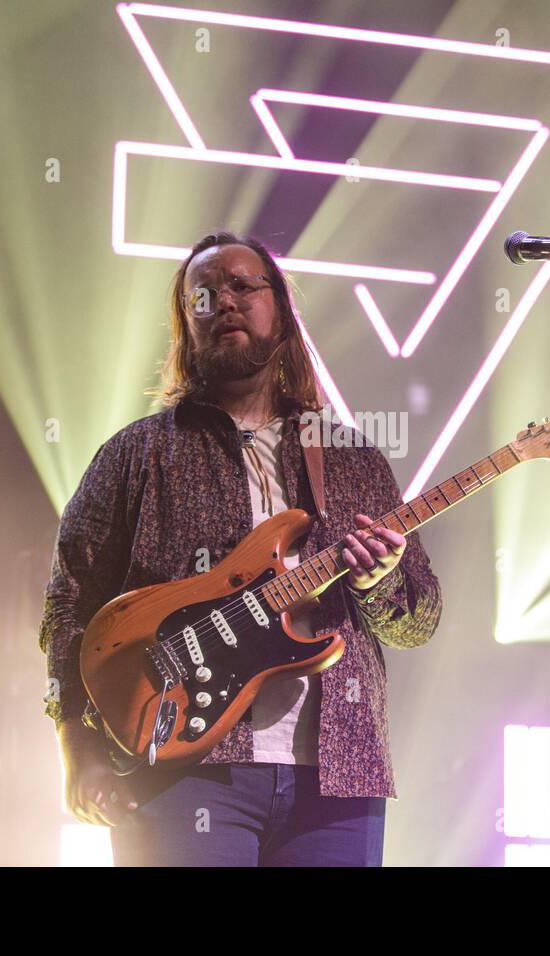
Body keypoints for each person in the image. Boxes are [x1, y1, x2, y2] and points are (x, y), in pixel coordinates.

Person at [38, 230, 442, 866]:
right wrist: (78, 749)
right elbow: (70, 605)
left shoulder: (351, 456)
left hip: (337, 777)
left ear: (278, 307)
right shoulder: (137, 453)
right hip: (183, 768)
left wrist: (380, 580)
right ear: (186, 327)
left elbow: (419, 622)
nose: (222, 301)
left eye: (241, 287)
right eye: (202, 295)